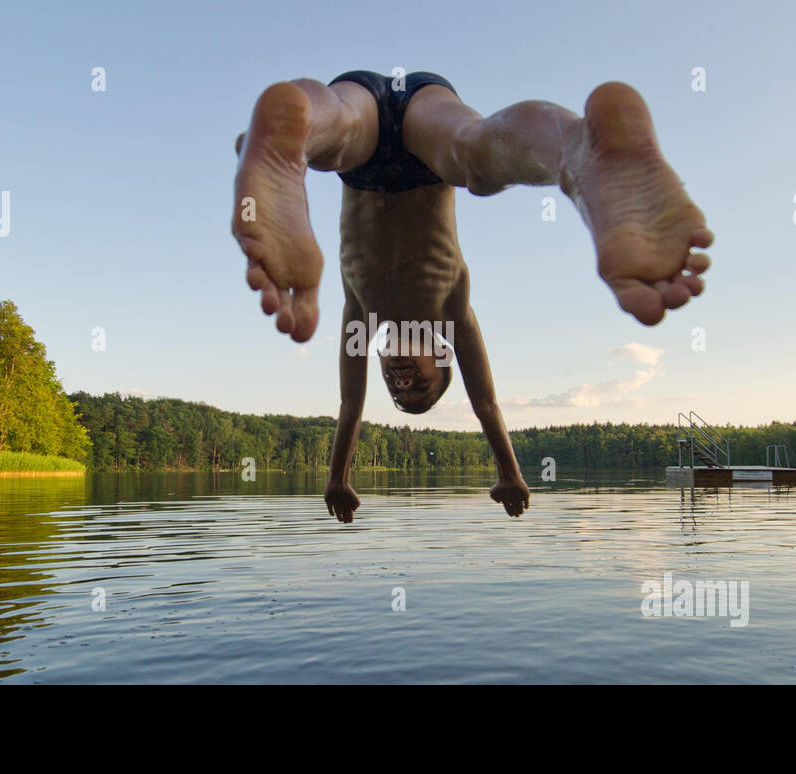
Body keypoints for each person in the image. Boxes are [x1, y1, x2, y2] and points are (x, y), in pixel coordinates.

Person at [231, 70, 713, 522]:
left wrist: (338, 478)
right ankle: (577, 149)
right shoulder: (452, 316)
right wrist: (509, 472)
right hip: (428, 151)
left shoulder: (361, 320)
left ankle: (292, 135)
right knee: (474, 153)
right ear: (443, 356)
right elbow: (485, 403)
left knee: (334, 130)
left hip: (363, 164)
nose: (400, 384)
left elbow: (350, 405)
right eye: (419, 386)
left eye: (396, 391)